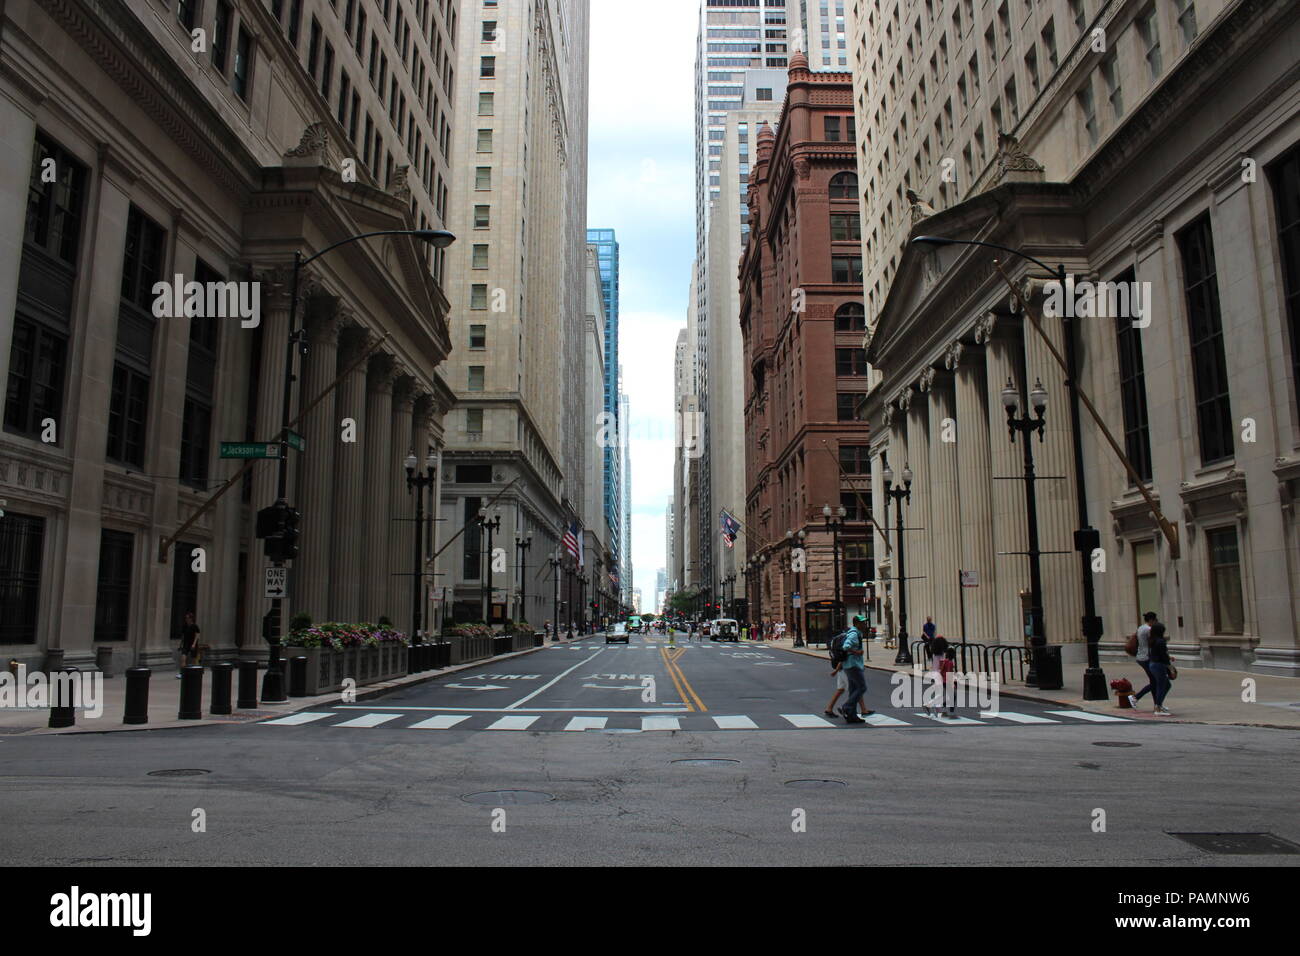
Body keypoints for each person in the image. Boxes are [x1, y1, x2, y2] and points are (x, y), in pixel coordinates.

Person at [839, 615, 873, 724]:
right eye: (862, 622)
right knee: (862, 687)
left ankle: (852, 716)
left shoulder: (854, 632)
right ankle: (847, 706)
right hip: (853, 665)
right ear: (857, 623)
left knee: (853, 690)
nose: (864, 624)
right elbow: (845, 646)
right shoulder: (854, 634)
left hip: (849, 665)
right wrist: (856, 652)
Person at [1127, 611, 1158, 709]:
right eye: (1155, 620)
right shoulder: (1149, 629)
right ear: (1152, 620)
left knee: (1154, 681)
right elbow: (1153, 643)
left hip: (1141, 656)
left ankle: (1157, 704)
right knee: (1155, 681)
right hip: (1146, 657)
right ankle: (1135, 697)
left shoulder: (1141, 627)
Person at [1145, 621, 1175, 716]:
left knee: (1165, 685)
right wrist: (1171, 668)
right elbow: (1164, 656)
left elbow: (1155, 654)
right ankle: (1157, 707)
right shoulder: (1161, 641)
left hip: (1153, 664)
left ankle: (1159, 705)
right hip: (1159, 665)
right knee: (1162, 686)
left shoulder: (1152, 640)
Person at [177, 610, 200, 677]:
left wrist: (194, 644)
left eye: (187, 618)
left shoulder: (195, 626)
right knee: (183, 658)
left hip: (192, 644)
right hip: (186, 644)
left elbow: (197, 636)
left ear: (191, 618)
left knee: (193, 659)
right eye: (186, 618)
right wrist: (180, 644)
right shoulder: (184, 626)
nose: (186, 619)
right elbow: (183, 636)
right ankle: (182, 673)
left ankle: (194, 673)